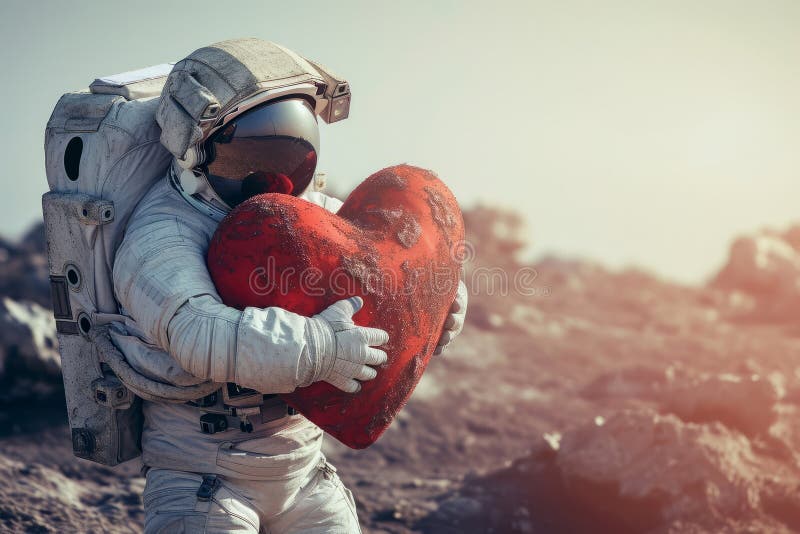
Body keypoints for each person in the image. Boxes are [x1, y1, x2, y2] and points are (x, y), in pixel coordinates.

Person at [111, 39, 467, 533]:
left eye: (291, 152)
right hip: (206, 478)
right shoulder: (163, 234)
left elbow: (388, 266)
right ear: (196, 148)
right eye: (248, 156)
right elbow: (198, 332)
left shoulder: (312, 218)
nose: (271, 177)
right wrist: (319, 348)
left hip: (304, 474)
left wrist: (436, 301)